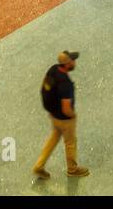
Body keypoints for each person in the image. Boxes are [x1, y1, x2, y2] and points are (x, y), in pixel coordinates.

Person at [32, 50, 90, 179]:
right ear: (67, 64)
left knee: (53, 138)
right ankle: (72, 169)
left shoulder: (53, 69)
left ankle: (39, 165)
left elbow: (45, 87)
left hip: (53, 115)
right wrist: (73, 115)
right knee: (70, 143)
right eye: (73, 61)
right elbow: (66, 109)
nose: (75, 62)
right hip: (65, 120)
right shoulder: (66, 84)